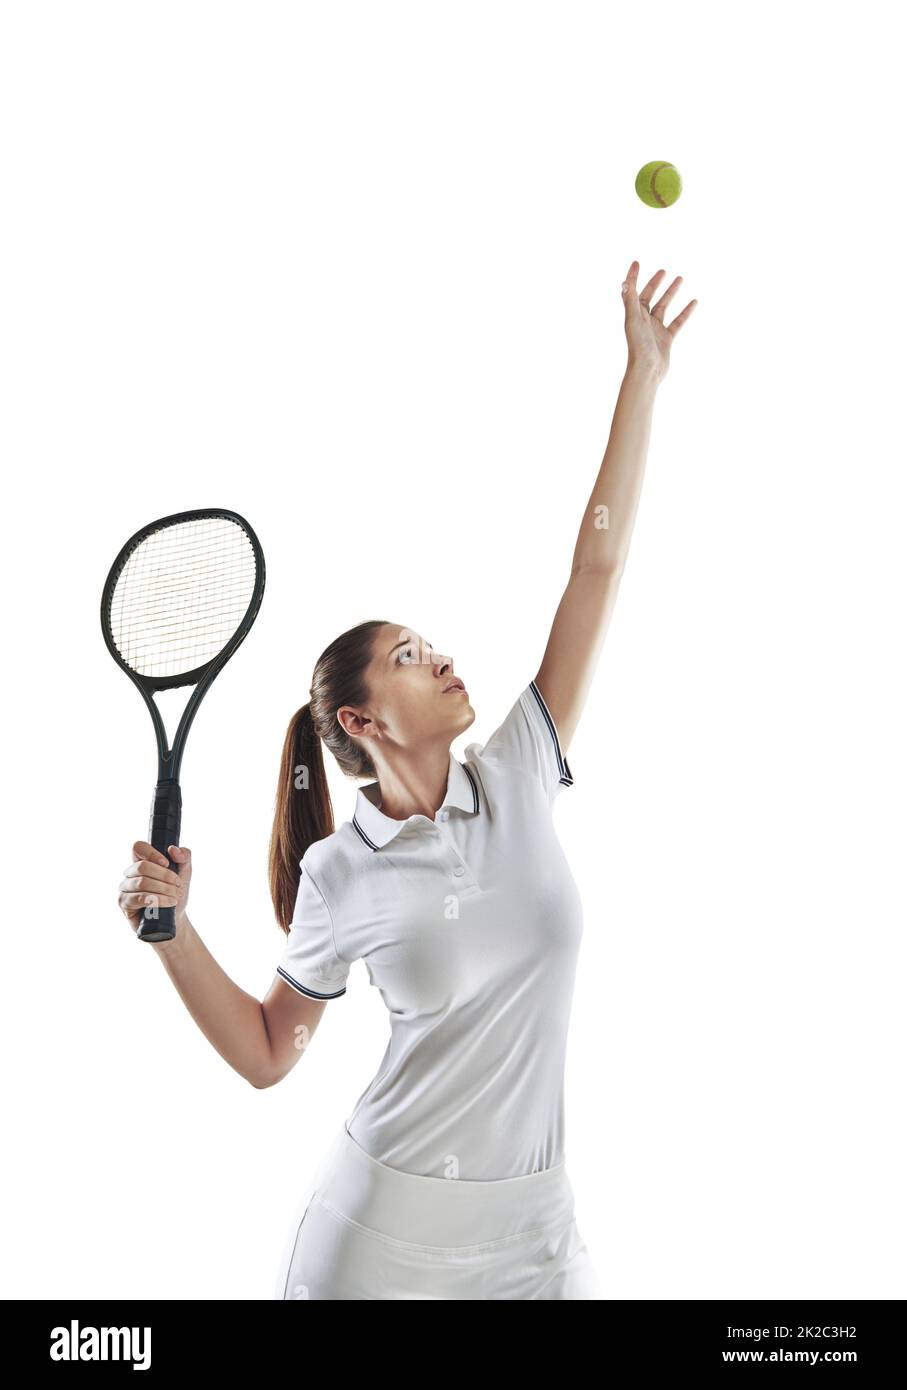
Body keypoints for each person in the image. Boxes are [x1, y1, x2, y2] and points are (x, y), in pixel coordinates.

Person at [117, 261, 697, 1299]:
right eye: (408, 654)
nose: (439, 657)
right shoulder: (340, 874)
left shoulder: (520, 767)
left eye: (431, 643)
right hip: (379, 1245)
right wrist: (176, 928)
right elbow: (267, 1051)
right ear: (363, 719)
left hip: (536, 1238)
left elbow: (594, 571)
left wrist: (641, 377)